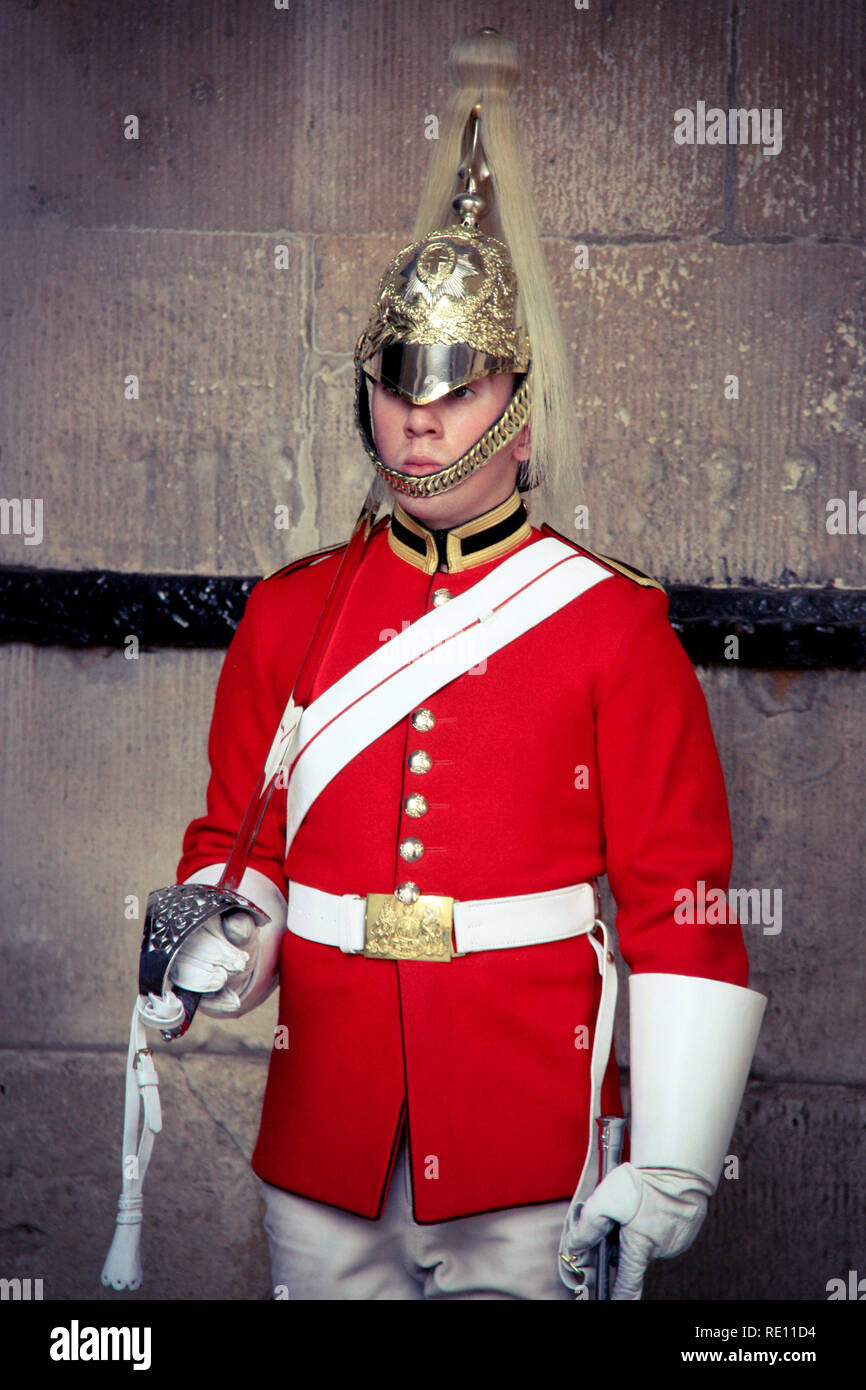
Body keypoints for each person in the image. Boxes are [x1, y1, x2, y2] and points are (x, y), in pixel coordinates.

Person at [108, 31, 766, 1301]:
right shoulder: (292, 609)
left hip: (529, 1138)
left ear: (517, 406)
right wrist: (217, 948)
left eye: (461, 384)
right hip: (327, 1137)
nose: (424, 408)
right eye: (401, 379)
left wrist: (674, 1159)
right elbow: (242, 839)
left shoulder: (609, 622)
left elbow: (679, 897)